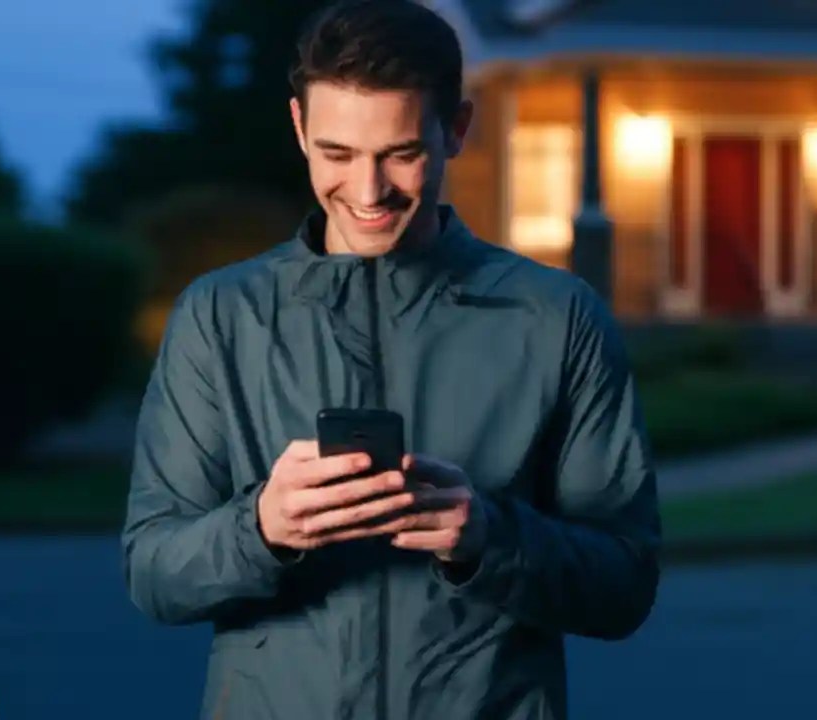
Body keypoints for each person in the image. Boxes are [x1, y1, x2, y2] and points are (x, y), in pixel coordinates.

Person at [120, 1, 662, 718]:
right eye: (337, 154)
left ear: (456, 130)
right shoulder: (218, 317)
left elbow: (624, 585)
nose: (368, 192)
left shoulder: (559, 320)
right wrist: (261, 528)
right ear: (299, 129)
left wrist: (488, 538)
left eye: (400, 154)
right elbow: (154, 573)